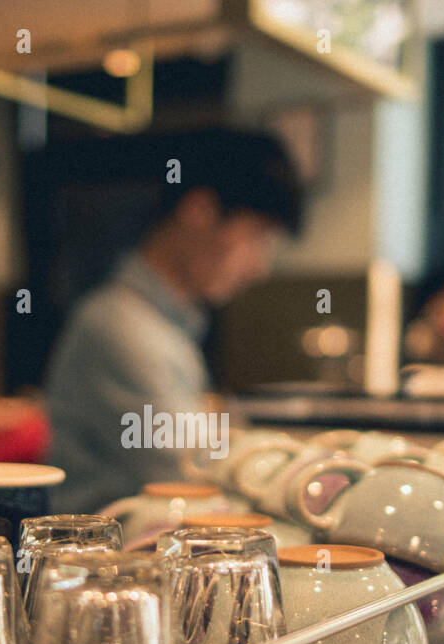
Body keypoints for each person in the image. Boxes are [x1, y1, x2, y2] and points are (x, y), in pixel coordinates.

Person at [43, 128, 304, 512]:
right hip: (98, 563)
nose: (260, 268)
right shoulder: (120, 327)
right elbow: (194, 473)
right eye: (257, 238)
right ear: (200, 211)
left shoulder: (162, 325)